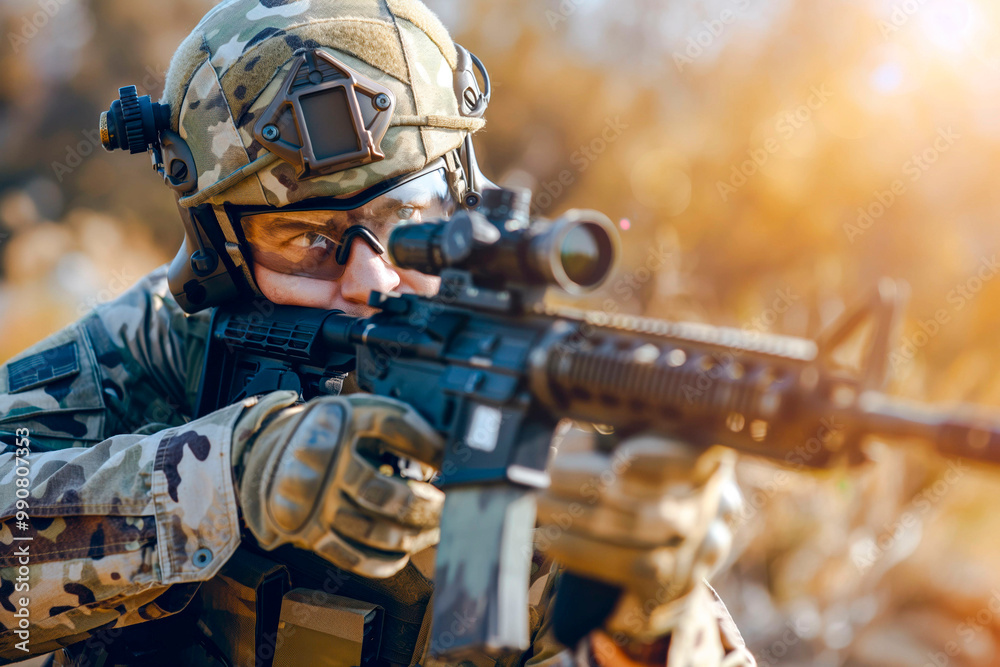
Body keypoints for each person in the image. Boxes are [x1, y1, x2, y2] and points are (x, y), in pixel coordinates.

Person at [0, 1, 755, 665]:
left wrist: (646, 625)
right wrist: (229, 477)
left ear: (464, 200)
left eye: (409, 220)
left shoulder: (545, 426)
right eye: (304, 237)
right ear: (218, 251)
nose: (373, 277)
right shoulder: (147, 353)